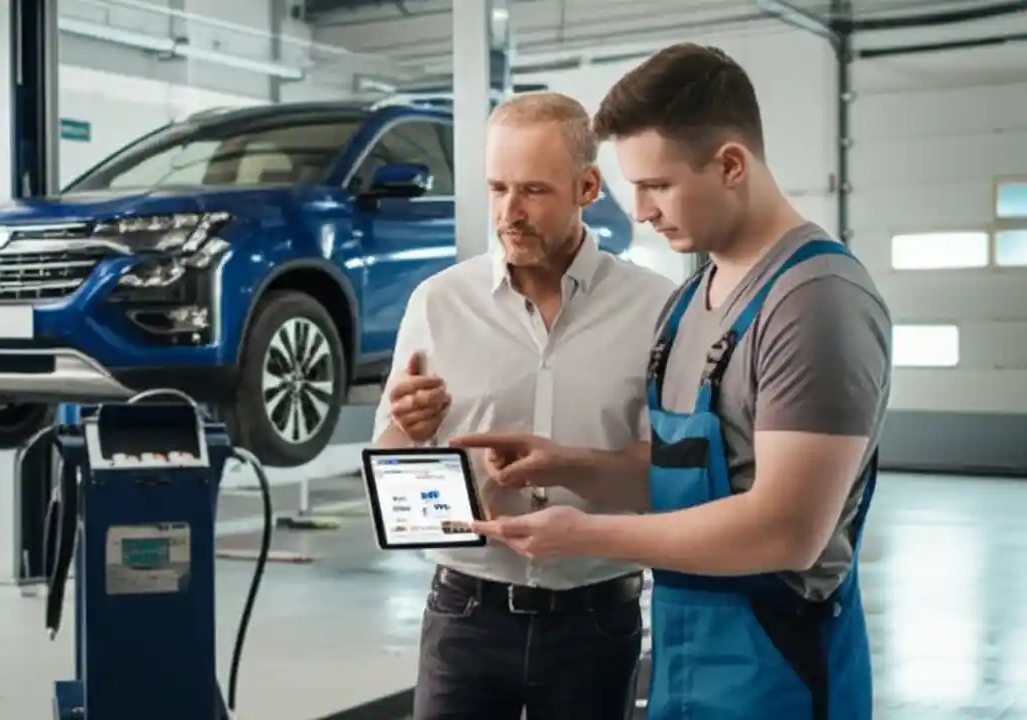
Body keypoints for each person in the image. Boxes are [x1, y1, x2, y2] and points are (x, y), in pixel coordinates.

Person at [455, 44, 892, 720]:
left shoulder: (815, 302)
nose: (641, 212)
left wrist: (585, 535)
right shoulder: (695, 301)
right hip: (690, 661)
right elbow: (682, 474)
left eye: (657, 185)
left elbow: (786, 530)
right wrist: (571, 465)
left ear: (730, 165)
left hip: (780, 670)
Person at [373, 91, 676, 719]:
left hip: (598, 618)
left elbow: (667, 473)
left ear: (588, 186)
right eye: (497, 188)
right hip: (465, 616)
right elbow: (390, 469)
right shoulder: (439, 304)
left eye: (534, 191)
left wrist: (565, 465)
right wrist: (405, 430)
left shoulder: (655, 310)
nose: (510, 212)